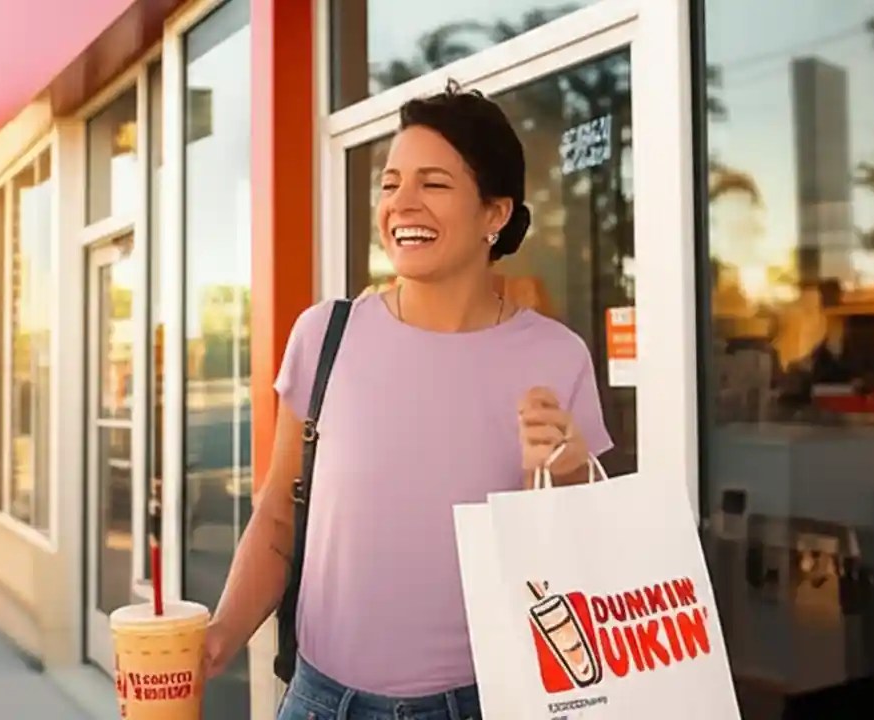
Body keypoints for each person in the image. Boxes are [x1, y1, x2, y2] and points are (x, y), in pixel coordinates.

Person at [204, 80, 614, 718]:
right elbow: (280, 517)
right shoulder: (325, 335)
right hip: (319, 701)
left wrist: (565, 476)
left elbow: (581, 563)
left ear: (495, 214)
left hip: (481, 704)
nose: (402, 203)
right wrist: (220, 635)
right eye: (391, 183)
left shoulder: (556, 358)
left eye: (435, 183)